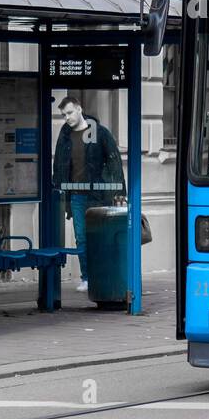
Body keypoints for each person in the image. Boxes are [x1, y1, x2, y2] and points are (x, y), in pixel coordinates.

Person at [51, 96, 125, 292]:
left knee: (99, 237)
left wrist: (118, 192)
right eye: (63, 114)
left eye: (69, 112)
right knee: (81, 238)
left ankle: (102, 275)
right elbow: (58, 163)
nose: (66, 118)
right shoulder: (65, 135)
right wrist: (58, 189)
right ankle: (87, 278)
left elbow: (114, 161)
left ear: (79, 109)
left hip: (98, 195)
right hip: (76, 195)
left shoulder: (99, 132)